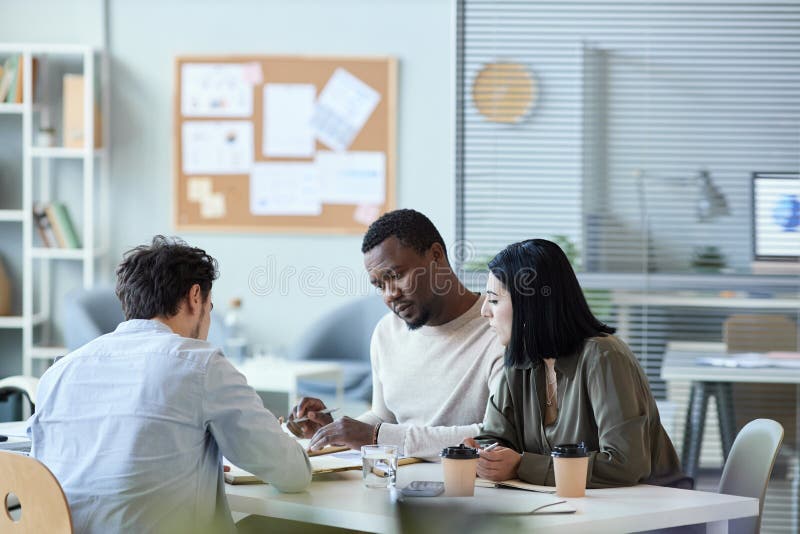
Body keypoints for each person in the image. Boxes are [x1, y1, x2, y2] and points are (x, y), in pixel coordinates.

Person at [29, 236, 311, 534]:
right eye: (210, 307)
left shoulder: (59, 372)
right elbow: (292, 473)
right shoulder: (200, 364)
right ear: (195, 297)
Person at [464, 239, 686, 488]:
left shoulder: (603, 357)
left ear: (531, 304)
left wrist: (522, 465)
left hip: (652, 510)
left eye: (494, 300)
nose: (484, 311)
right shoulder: (519, 360)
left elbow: (626, 463)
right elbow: (494, 438)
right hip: (575, 507)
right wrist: (485, 456)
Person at [290, 209, 504, 459]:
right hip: (398, 483)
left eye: (397, 276)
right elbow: (384, 418)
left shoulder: (498, 330)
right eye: (380, 285)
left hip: (470, 487)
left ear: (436, 256)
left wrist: (376, 436)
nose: (390, 294)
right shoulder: (385, 332)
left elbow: (494, 436)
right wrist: (335, 433)